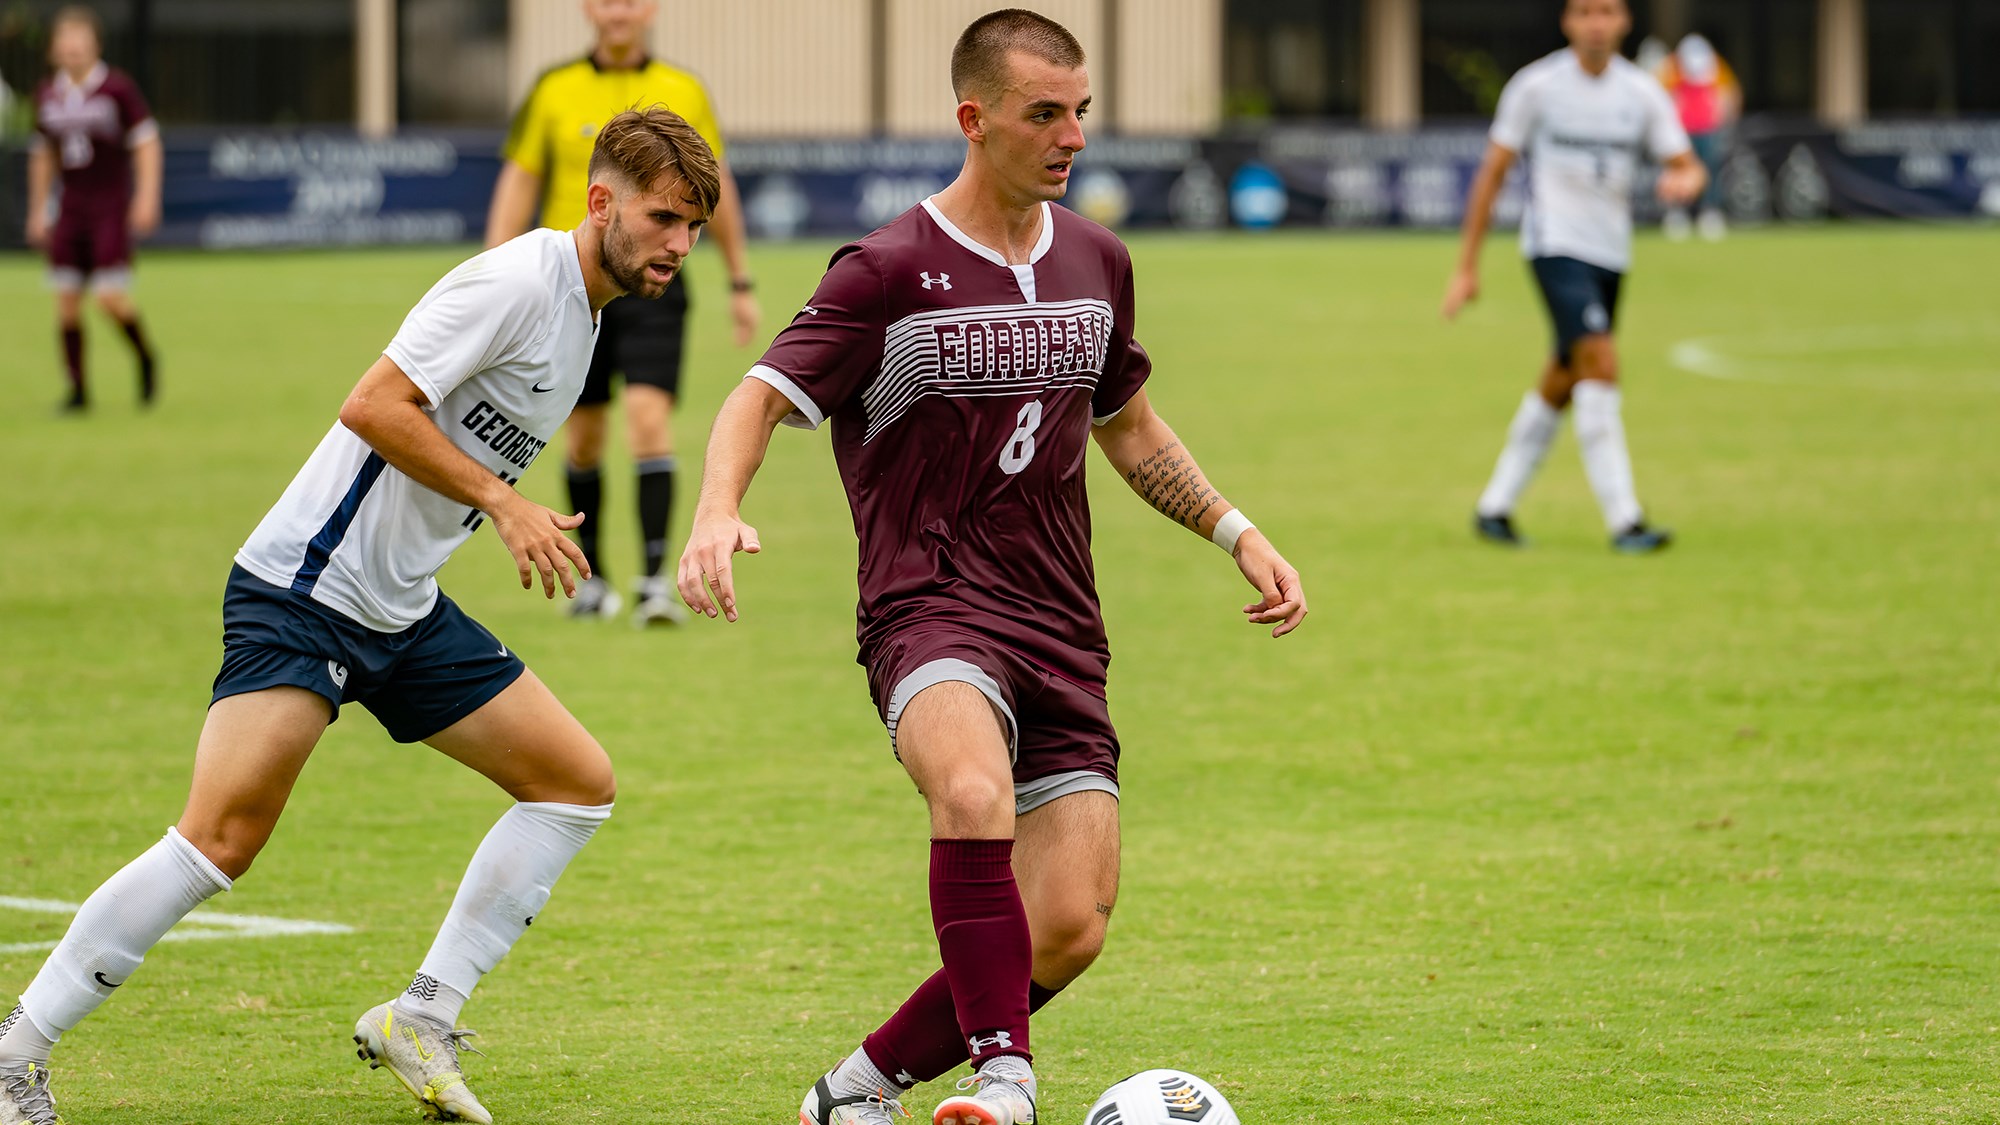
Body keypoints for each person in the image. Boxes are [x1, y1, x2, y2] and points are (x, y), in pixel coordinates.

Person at [0, 107, 719, 1125]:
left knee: (574, 784)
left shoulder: (586, 313)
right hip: (305, 591)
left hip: (401, 609)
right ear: (600, 201)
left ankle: (419, 1017)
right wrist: (504, 501)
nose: (678, 245)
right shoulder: (515, 282)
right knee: (219, 839)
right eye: (662, 218)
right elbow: (374, 405)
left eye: (693, 225)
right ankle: (15, 1050)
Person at [676, 11, 1307, 1125]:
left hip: (1061, 624)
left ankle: (854, 1089)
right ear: (974, 119)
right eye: (1043, 114)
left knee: (1067, 924)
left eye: (1080, 112)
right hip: (928, 611)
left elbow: (1130, 427)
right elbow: (756, 397)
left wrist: (1234, 530)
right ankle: (1005, 1082)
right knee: (970, 793)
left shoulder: (1096, 259)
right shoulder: (885, 269)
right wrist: (716, 512)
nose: (1071, 136)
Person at [486, 0, 760, 626]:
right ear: (589, 9)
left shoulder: (682, 89)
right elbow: (518, 184)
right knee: (583, 437)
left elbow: (718, 185)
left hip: (656, 285)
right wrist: (498, 276)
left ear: (649, 10)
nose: (619, 12)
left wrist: (740, 280)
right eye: (607, 0)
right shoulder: (553, 89)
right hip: (574, 288)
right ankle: (595, 580)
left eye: (631, 1)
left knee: (647, 423)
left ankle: (654, 583)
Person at [1442, 0, 1706, 553]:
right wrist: (1467, 266)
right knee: (1600, 362)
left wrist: (1686, 180)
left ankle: (1495, 508)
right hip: (1555, 247)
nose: (1596, 22)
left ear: (1625, 21)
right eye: (1585, 11)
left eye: (1607, 11)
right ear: (1567, 21)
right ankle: (1625, 521)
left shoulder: (1641, 92)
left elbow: (1687, 162)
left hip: (1612, 256)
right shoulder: (1536, 87)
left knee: (1563, 377)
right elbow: (1492, 173)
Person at [25, 5, 162, 413]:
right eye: (64, 42)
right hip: (70, 210)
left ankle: (145, 356)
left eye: (80, 41)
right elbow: (44, 155)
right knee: (65, 301)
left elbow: (146, 142)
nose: (72, 49)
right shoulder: (47, 95)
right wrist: (37, 209)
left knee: (108, 299)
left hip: (108, 208)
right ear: (53, 50)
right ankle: (78, 392)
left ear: (95, 46)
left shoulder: (117, 89)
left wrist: (147, 196)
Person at [1658, 32, 1739, 242]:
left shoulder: (1717, 66)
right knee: (1679, 171)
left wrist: (1723, 120)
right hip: (1682, 131)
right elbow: (1660, 94)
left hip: (1708, 129)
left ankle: (1709, 213)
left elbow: (1729, 93)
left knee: (1709, 171)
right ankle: (1677, 214)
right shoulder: (1672, 66)